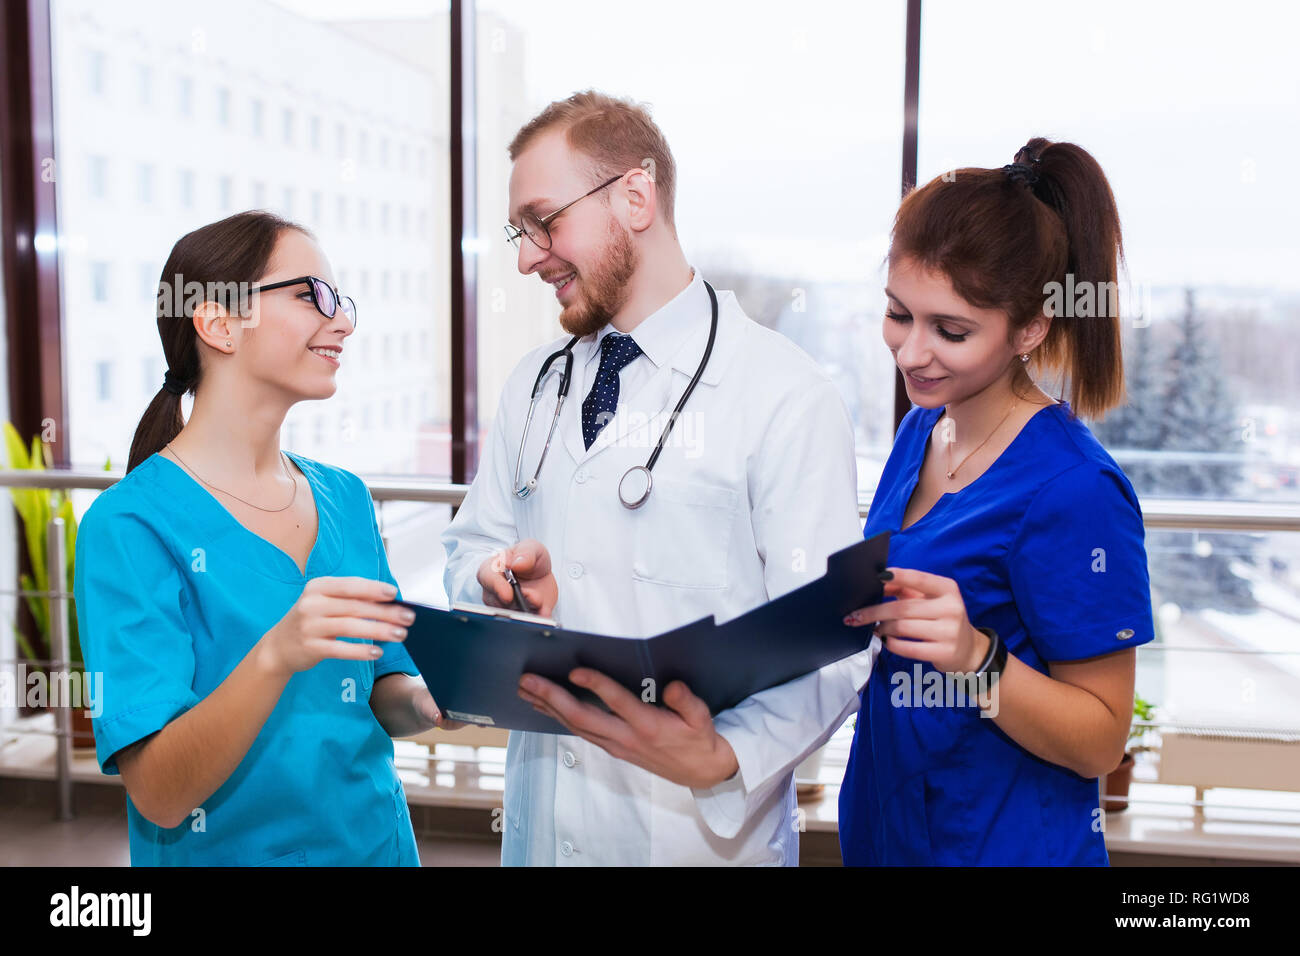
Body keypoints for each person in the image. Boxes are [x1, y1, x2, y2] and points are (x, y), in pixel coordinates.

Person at [441, 90, 875, 866]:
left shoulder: (782, 392)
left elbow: (835, 633)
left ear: (635, 197)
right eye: (518, 231)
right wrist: (491, 578)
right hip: (542, 832)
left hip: (695, 838)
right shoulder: (534, 384)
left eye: (543, 222)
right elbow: (471, 542)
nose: (526, 256)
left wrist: (728, 756)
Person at [73, 211, 443, 866]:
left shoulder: (346, 498)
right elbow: (159, 793)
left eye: (341, 300)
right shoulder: (129, 528)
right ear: (217, 323)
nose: (344, 322)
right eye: (311, 296)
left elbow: (385, 689)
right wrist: (275, 654)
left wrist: (443, 697)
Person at [837, 138, 1156, 864]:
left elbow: (1103, 737)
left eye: (950, 331)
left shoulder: (1075, 492)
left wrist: (977, 659)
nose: (911, 353)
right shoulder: (922, 431)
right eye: (898, 314)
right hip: (893, 835)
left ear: (1031, 328)